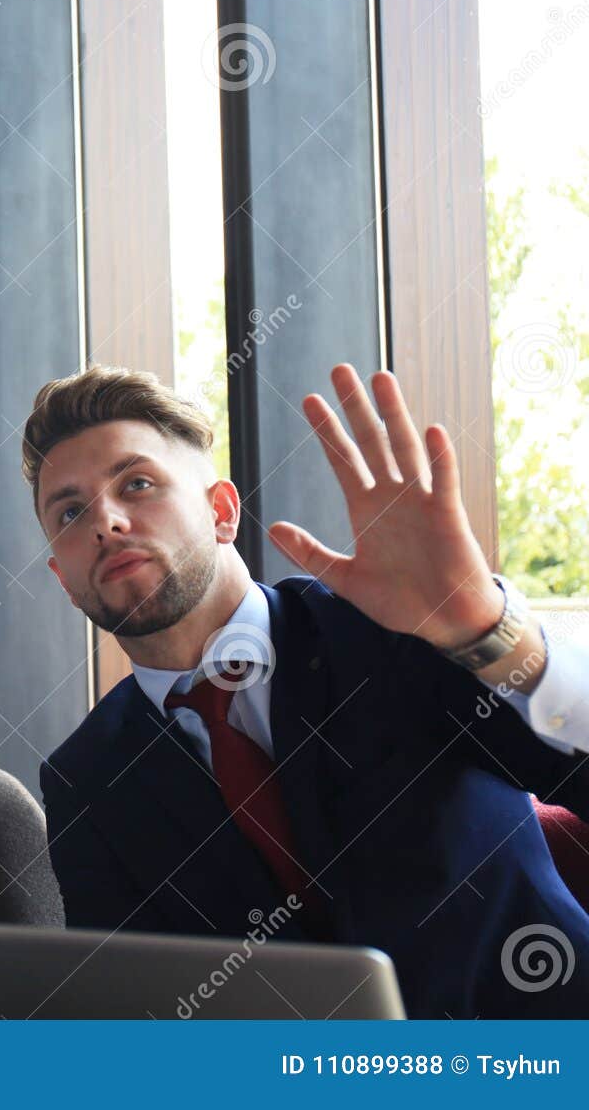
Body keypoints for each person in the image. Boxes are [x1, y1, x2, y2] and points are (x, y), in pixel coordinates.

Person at [30, 363, 588, 1017]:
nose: (107, 523)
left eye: (139, 483)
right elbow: (130, 1018)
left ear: (220, 510)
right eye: (70, 510)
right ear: (63, 578)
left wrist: (486, 628)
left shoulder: (398, 631)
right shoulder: (86, 777)